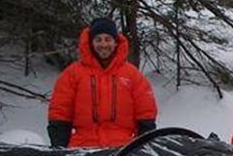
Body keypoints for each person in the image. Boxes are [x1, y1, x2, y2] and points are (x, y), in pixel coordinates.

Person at [47, 18, 157, 148]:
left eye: (108, 39)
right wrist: (60, 149)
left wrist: (141, 147)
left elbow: (146, 113)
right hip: (82, 148)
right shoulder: (72, 74)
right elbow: (60, 113)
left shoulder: (132, 75)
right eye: (98, 40)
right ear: (91, 43)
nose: (103, 44)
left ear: (115, 42)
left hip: (122, 149)